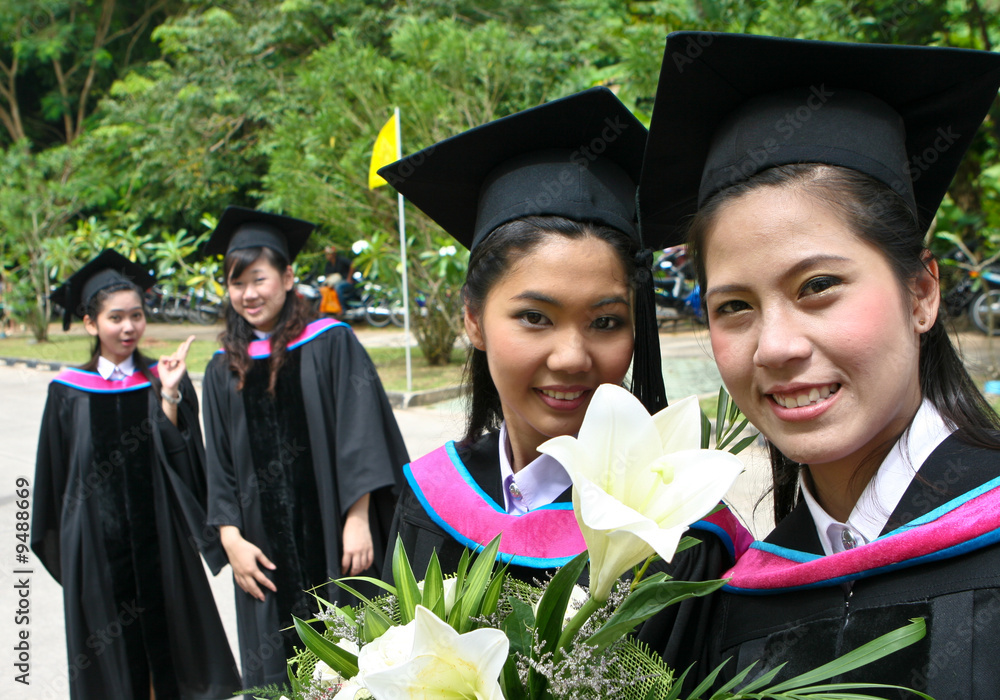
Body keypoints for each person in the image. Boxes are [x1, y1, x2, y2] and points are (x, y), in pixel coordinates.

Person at [638, 32, 1000, 696]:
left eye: (818, 287)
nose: (775, 346)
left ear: (921, 293)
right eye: (735, 306)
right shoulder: (740, 599)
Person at [378, 87, 751, 671]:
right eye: (535, 317)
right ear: (473, 320)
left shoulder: (686, 536)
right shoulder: (430, 500)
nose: (573, 357)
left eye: (606, 321)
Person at [200, 206, 408, 688]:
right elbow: (220, 466)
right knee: (277, 674)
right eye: (236, 283)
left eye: (258, 278)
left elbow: (361, 433)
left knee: (349, 659)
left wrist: (358, 519)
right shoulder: (221, 368)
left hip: (336, 538)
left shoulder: (332, 342)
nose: (248, 294)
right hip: (260, 550)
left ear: (288, 276)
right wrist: (230, 540)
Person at [32, 250, 241, 700]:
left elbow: (186, 460)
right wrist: (71, 549)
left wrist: (169, 395)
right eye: (115, 318)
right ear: (91, 324)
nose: (128, 327)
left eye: (136, 316)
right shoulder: (67, 392)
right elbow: (53, 479)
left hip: (161, 545)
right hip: (97, 551)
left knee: (175, 656)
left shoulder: (161, 378)